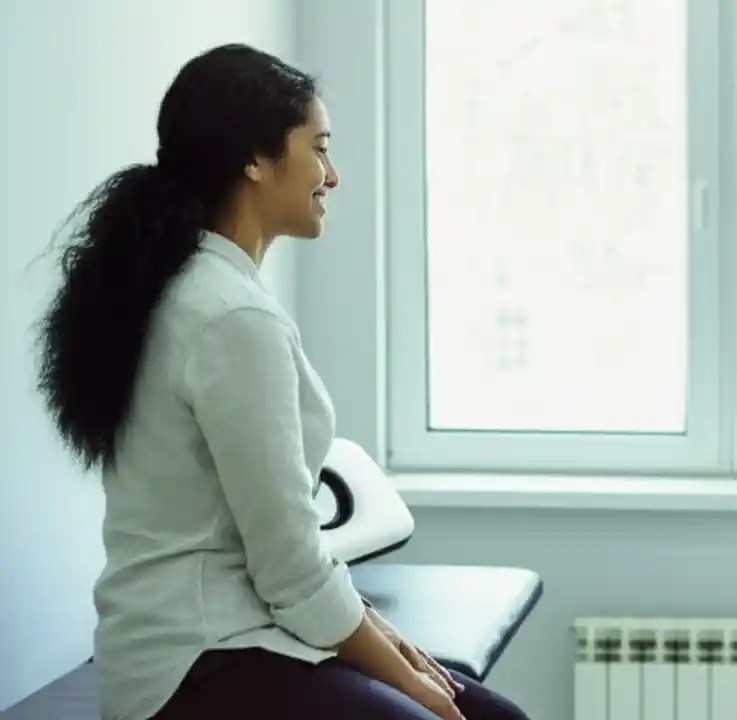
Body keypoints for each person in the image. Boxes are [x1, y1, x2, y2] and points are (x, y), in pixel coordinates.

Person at [35, 44, 529, 720]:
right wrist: (408, 681)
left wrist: (405, 654)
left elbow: (290, 571)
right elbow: (291, 571)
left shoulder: (199, 291)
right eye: (319, 148)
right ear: (256, 160)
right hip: (195, 659)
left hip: (234, 636)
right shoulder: (229, 315)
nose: (333, 175)